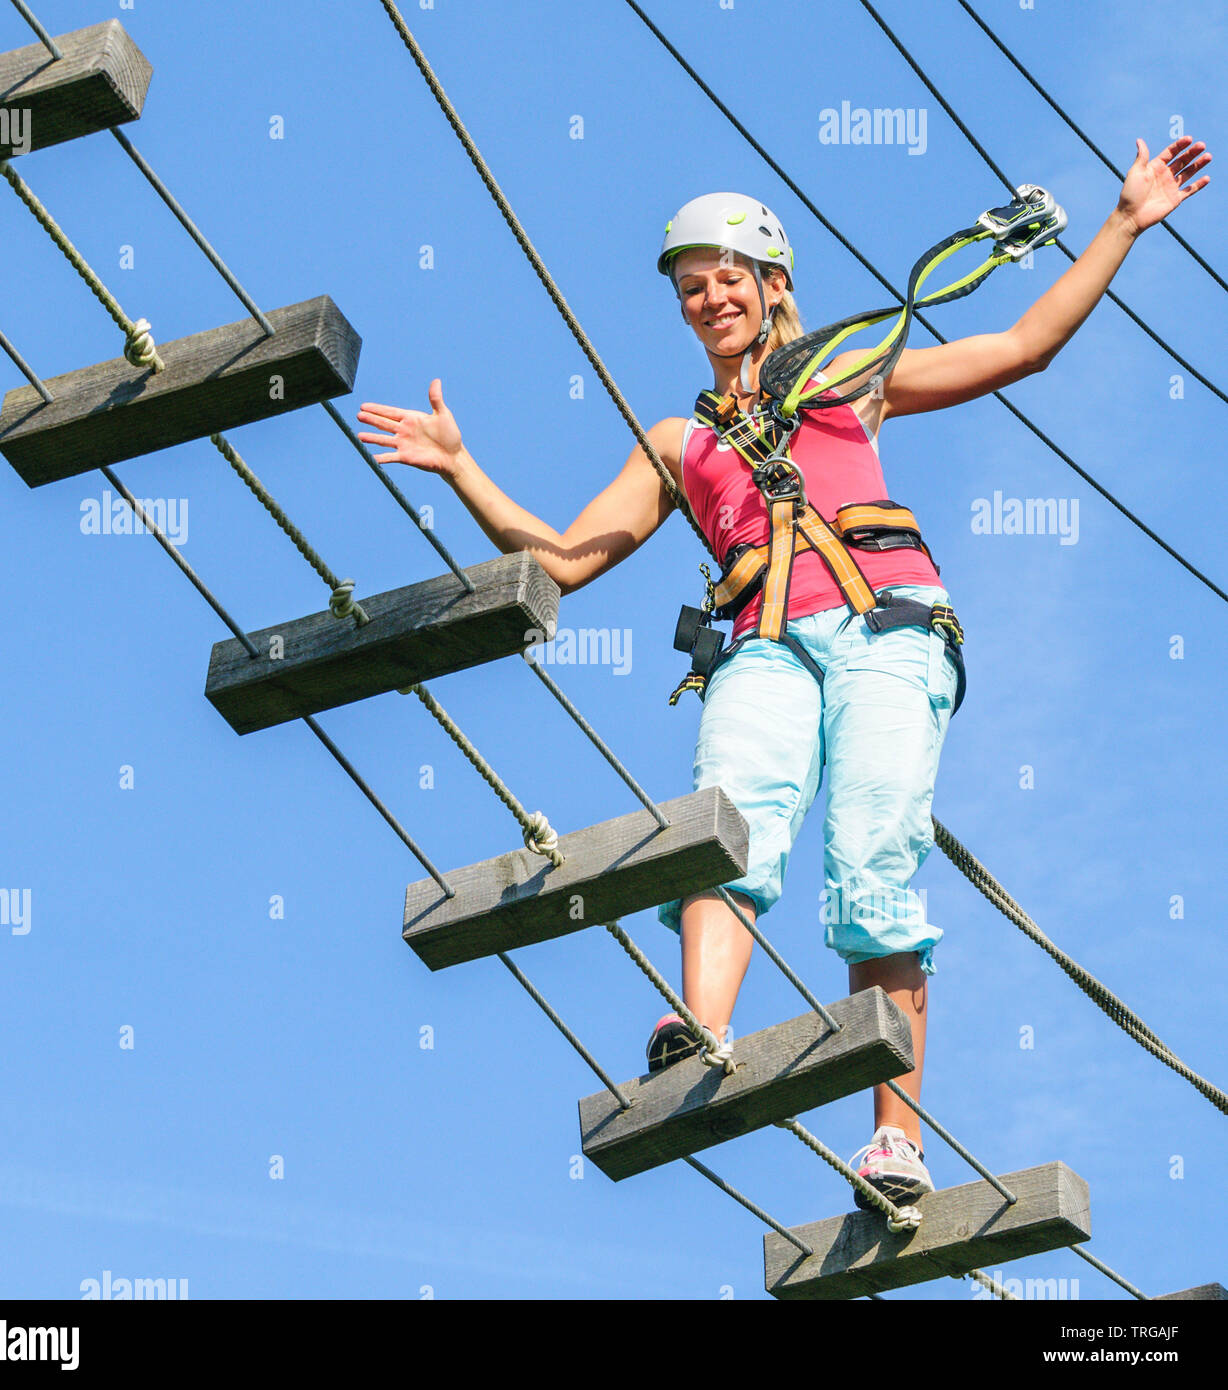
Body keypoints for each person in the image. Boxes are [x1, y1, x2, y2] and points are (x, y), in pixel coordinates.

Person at [356, 136, 1209, 1208]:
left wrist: (1123, 223)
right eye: (689, 286)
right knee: (728, 813)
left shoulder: (849, 376)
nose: (708, 297)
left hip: (886, 631)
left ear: (769, 289)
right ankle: (700, 1031)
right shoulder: (680, 438)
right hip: (759, 645)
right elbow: (564, 561)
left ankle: (893, 1141)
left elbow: (1023, 346)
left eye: (725, 279)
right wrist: (462, 467)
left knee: (871, 857)